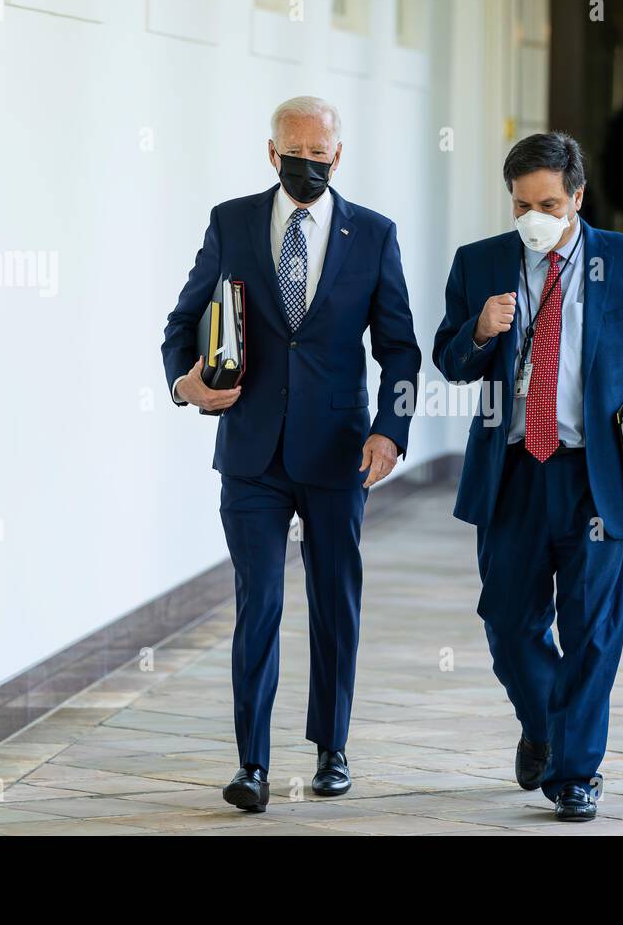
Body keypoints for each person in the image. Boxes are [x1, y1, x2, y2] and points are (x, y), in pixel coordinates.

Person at [161, 96, 420, 813]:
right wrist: (185, 385)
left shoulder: (374, 235)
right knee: (260, 604)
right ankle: (252, 764)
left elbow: (398, 349)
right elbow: (182, 324)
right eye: (294, 153)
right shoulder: (232, 222)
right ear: (271, 153)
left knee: (335, 602)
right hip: (250, 453)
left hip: (341, 452)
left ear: (339, 154)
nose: (308, 165)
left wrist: (390, 430)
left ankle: (332, 749)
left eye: (321, 154)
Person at [432, 132, 623, 821]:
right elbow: (449, 362)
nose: (534, 216)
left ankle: (576, 771)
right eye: (521, 204)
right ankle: (544, 722)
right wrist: (480, 331)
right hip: (511, 472)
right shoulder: (480, 261)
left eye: (548, 202)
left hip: (593, 475)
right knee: (508, 623)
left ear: (577, 196)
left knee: (593, 629)